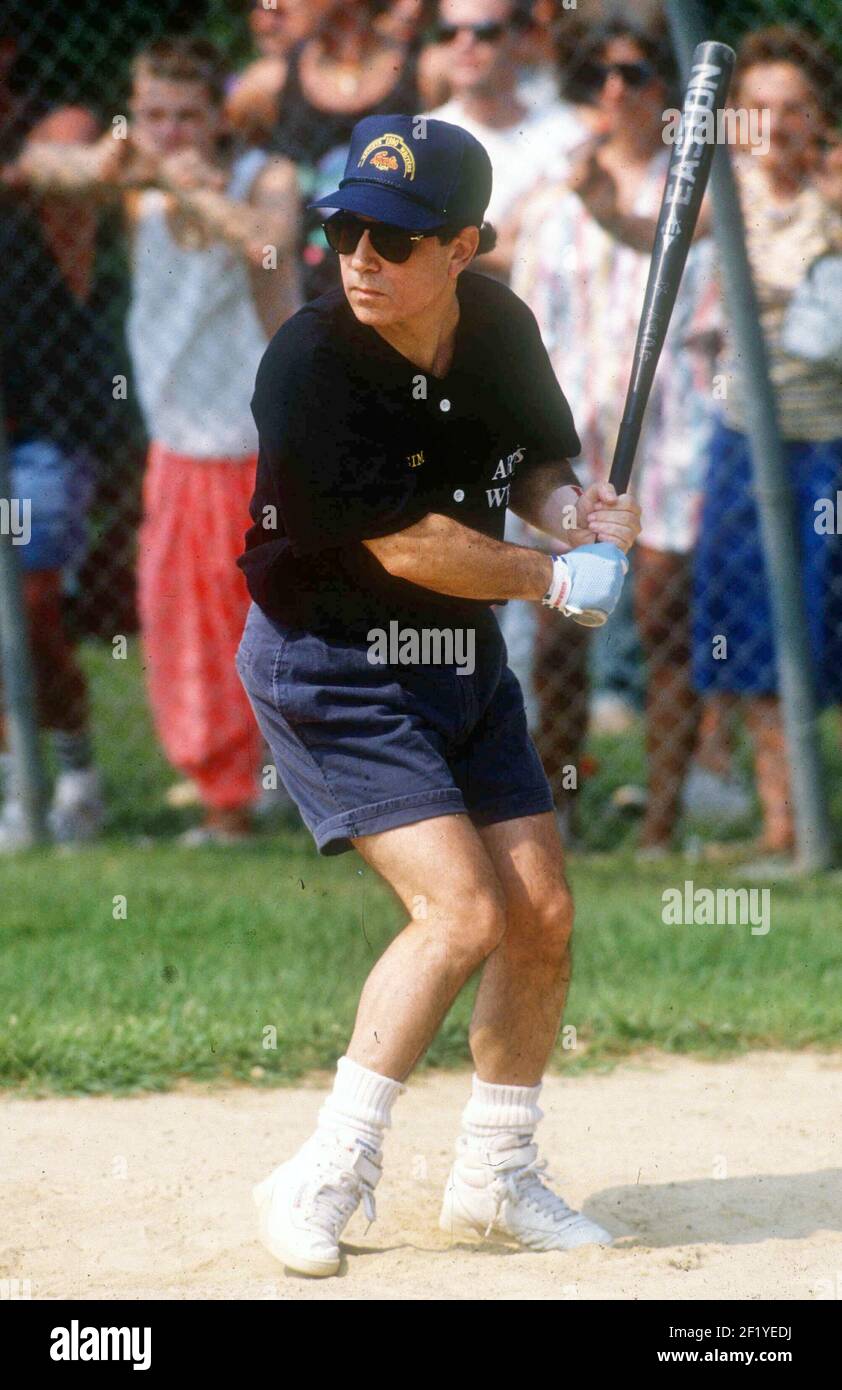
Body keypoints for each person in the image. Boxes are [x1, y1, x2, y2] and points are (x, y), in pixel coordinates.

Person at [236, 114, 640, 1276]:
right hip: (333, 664)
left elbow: (539, 471)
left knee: (540, 913)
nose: (361, 256)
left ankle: (494, 1175)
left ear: (465, 248)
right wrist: (558, 576)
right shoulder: (310, 363)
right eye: (347, 228)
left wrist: (576, 520)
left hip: (457, 661)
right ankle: (324, 1171)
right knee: (459, 911)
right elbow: (410, 544)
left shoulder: (499, 326)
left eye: (397, 238)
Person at [11, 36, 302, 843]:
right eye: (153, 115)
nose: (169, 131)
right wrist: (115, 162)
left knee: (276, 624)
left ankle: (284, 784)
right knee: (183, 624)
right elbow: (45, 168)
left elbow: (264, 242)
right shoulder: (136, 179)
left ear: (217, 119)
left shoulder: (261, 176)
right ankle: (226, 799)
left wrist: (186, 186)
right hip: (177, 441)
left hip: (260, 441)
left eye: (186, 116)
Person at [504, 19, 719, 850]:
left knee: (665, 616)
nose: (613, 92)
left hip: (673, 424)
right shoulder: (553, 192)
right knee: (561, 620)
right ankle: (557, 806)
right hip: (574, 432)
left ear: (663, 89)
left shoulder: (700, 187)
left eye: (631, 74)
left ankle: (662, 822)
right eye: (596, 76)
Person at [687, 26, 842, 857]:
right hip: (749, 442)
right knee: (751, 636)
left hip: (833, 447)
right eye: (760, 110)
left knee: (826, 629)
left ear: (821, 114)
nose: (777, 126)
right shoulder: (731, 192)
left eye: (795, 109)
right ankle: (787, 826)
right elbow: (654, 235)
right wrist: (604, 202)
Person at [0, 20, 113, 848]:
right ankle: (18, 785)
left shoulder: (53, 129)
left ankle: (72, 771)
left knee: (36, 604)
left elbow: (81, 162)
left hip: (46, 411)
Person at [426, 0, 589, 281]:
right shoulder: (423, 138)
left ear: (521, 39)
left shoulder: (568, 132)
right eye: (449, 32)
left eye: (485, 31)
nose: (465, 44)